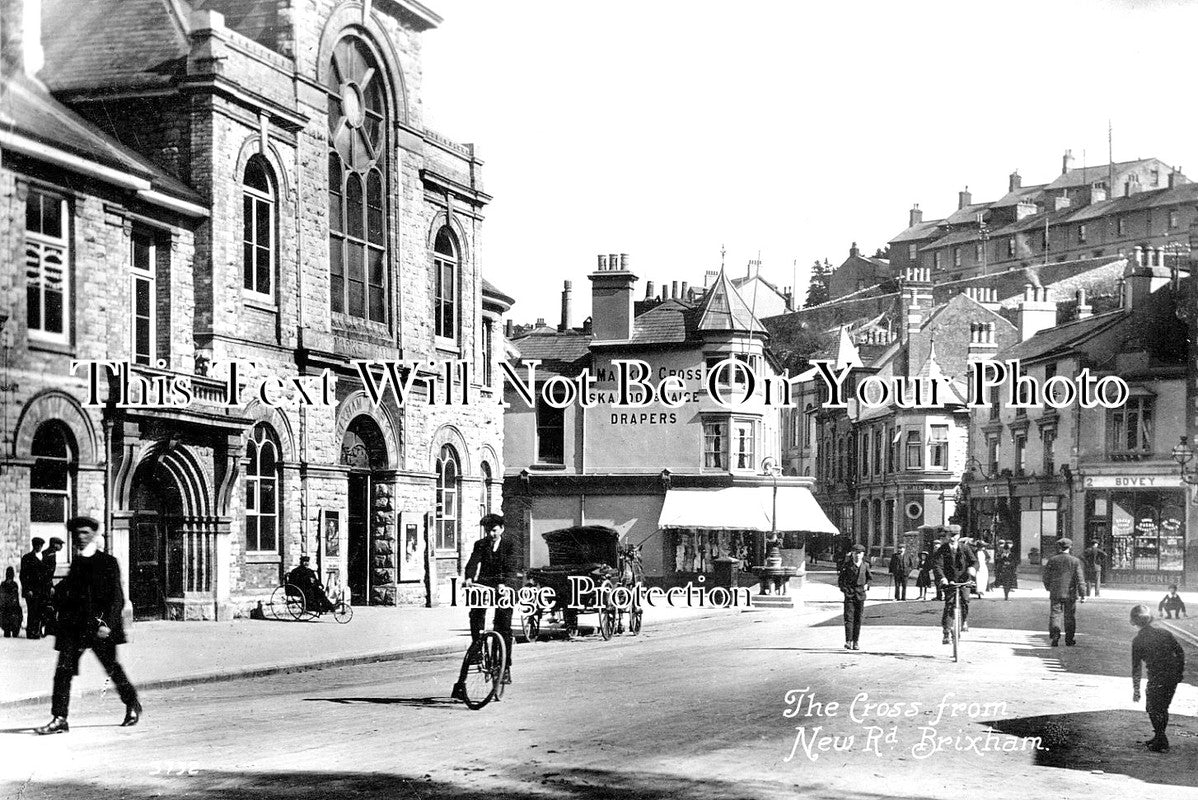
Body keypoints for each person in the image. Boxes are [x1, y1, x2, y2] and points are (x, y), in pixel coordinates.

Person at [34, 516, 141, 735]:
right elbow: (74, 592)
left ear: (94, 534)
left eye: (85, 533)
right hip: (75, 629)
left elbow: (116, 598)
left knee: (112, 668)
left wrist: (107, 625)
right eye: (76, 534)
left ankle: (132, 704)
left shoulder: (107, 562)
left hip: (100, 629)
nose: (80, 537)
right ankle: (60, 718)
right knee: (63, 671)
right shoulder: (78, 562)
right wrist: (55, 595)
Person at [458, 513, 518, 690]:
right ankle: (477, 647)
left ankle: (505, 666)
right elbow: (472, 562)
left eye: (494, 530)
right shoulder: (481, 544)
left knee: (504, 625)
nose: (491, 534)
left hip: (505, 586)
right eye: (487, 530)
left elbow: (512, 566)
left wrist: (504, 584)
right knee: (475, 613)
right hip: (485, 584)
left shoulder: (510, 545)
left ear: (501, 529)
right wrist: (469, 578)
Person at [1130, 604, 1186, 753]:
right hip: (1172, 676)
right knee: (1162, 707)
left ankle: (1161, 739)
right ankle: (1159, 737)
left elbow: (1136, 668)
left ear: (1134, 621)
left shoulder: (1138, 640)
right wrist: (1180, 672)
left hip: (1157, 677)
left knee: (1153, 708)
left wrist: (1136, 690)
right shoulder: (1164, 633)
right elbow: (1180, 652)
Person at [932, 526, 977, 645]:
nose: (952, 538)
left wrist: (972, 568)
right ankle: (946, 632)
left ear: (958, 536)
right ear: (946, 536)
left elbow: (974, 561)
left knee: (965, 601)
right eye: (950, 536)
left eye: (955, 535)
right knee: (949, 605)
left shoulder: (965, 548)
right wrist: (942, 578)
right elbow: (937, 565)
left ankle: (964, 620)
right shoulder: (942, 549)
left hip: (964, 580)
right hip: (949, 581)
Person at [1042, 538, 1086, 647]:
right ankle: (1069, 639)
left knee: (1055, 615)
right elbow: (1080, 579)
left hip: (1056, 592)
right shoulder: (1075, 561)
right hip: (1070, 593)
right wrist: (1083, 594)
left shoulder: (1052, 560)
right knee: (1070, 616)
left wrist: (1049, 588)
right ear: (1070, 547)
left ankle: (1055, 637)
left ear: (1059, 547)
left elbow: (1045, 577)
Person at [838, 544, 870, 650]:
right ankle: (848, 641)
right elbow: (841, 580)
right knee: (848, 618)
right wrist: (845, 590)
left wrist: (867, 585)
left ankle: (856, 642)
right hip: (850, 594)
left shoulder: (865, 565)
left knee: (858, 619)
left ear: (863, 554)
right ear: (852, 554)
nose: (858, 555)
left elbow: (869, 578)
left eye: (860, 553)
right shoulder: (846, 565)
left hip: (860, 594)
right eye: (856, 553)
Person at [19, 537, 45, 639]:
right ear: (33, 545)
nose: (38, 547)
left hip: (40, 590)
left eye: (40, 546)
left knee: (38, 611)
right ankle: (31, 632)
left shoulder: (43, 557)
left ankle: (37, 631)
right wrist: (27, 589)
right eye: (37, 545)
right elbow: (23, 575)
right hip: (31, 590)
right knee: (32, 611)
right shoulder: (27, 558)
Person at [40, 537, 64, 636]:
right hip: (46, 584)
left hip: (46, 583)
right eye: (60, 544)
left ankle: (47, 628)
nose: (61, 547)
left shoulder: (48, 553)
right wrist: (50, 586)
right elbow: (47, 572)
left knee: (49, 605)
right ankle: (44, 628)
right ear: (54, 544)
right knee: (48, 606)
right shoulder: (50, 554)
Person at [1, 566, 22, 637]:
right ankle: (14, 630)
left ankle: (7, 630)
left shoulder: (3, 584)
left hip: (5, 608)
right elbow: (16, 598)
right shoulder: (14, 585)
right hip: (12, 607)